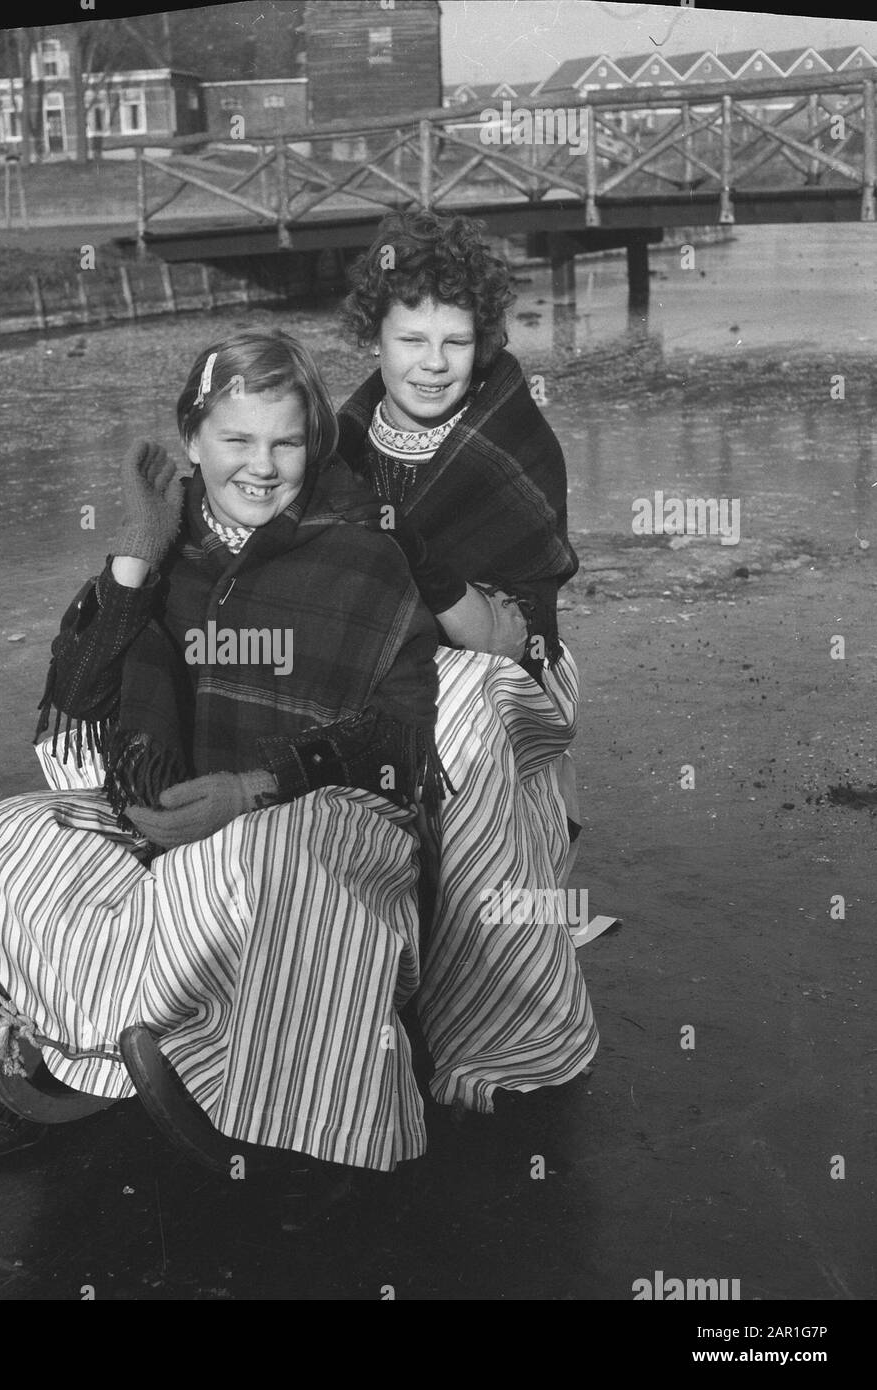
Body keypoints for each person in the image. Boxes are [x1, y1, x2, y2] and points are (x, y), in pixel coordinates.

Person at [0, 330, 443, 1187]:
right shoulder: (164, 538)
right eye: (236, 440)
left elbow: (400, 738)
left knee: (261, 871)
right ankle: (58, 1055)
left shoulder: (365, 554)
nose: (262, 466)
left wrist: (258, 788)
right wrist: (138, 560)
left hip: (315, 815)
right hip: (165, 806)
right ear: (192, 440)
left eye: (286, 442)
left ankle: (310, 1113)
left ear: (313, 444)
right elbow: (75, 699)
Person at [332, 208, 598, 1113]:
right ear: (375, 334)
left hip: (509, 668)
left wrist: (409, 554)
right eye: (411, 337)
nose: (433, 362)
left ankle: (495, 1021)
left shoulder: (512, 437)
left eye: (456, 339)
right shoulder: (341, 438)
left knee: (465, 717)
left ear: (484, 340)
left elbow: (520, 635)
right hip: (389, 663)